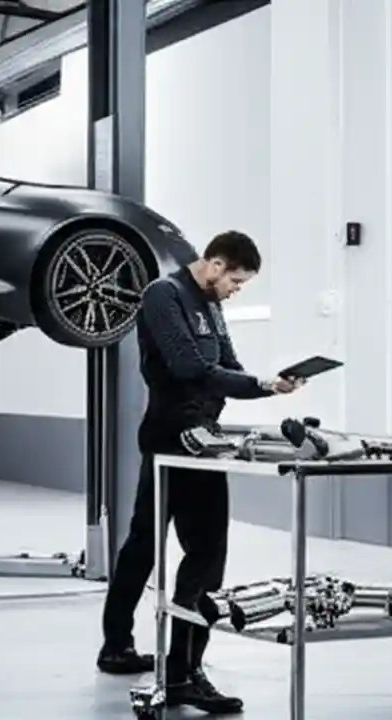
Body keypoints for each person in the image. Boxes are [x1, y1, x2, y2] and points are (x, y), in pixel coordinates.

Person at [95, 230, 302, 714]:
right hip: (174, 437)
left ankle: (170, 660)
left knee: (194, 550)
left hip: (205, 436)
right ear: (213, 264)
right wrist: (259, 384)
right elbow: (189, 367)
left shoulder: (210, 305)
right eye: (235, 279)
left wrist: (269, 385)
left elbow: (226, 364)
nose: (236, 289)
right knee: (169, 548)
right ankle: (163, 665)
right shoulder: (163, 295)